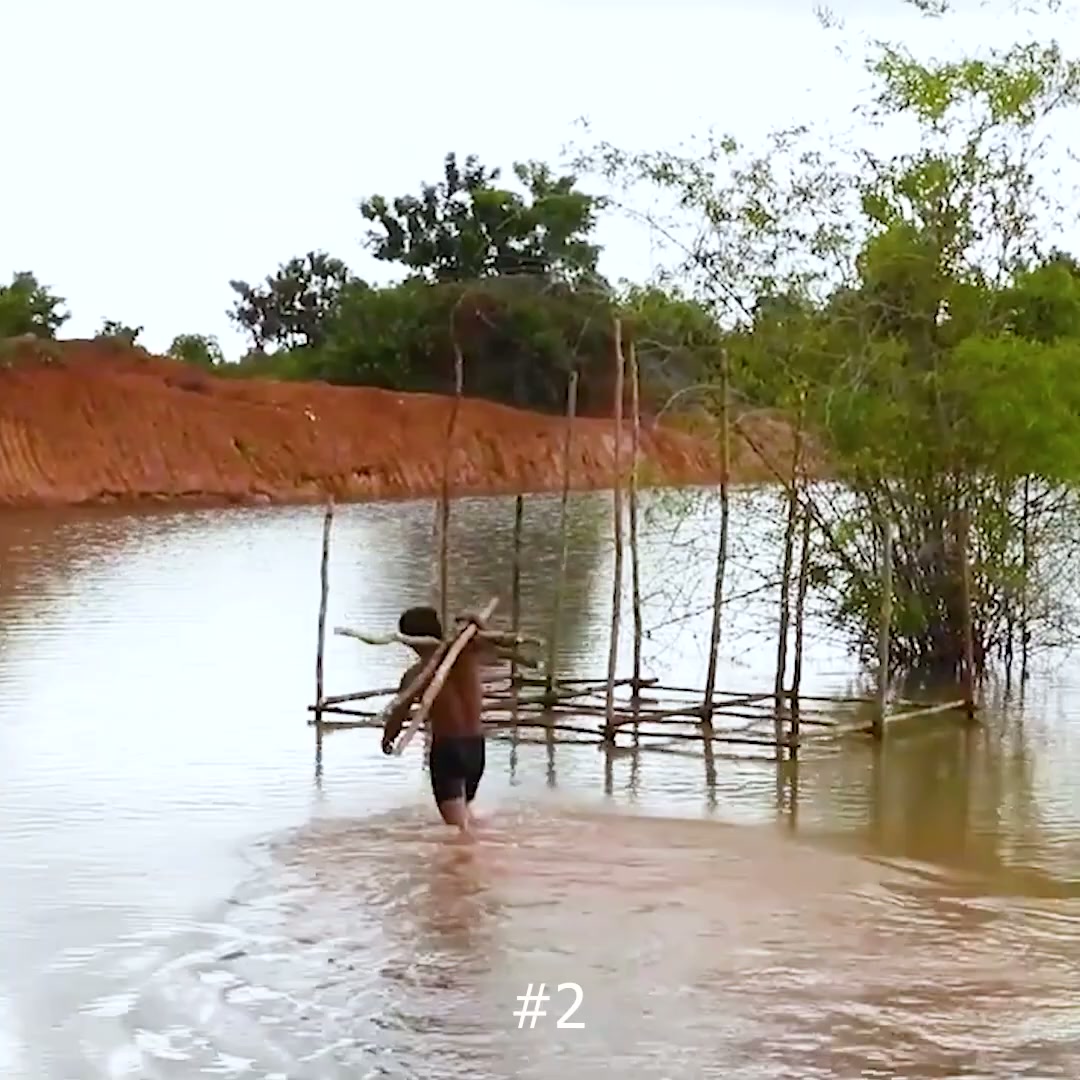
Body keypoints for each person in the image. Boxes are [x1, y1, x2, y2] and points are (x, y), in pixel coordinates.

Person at [381, 605, 489, 834]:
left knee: (458, 832)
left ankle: (465, 867)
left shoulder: (415, 675)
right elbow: (483, 637)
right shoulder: (467, 657)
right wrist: (474, 619)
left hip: (447, 749)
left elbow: (399, 713)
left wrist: (388, 738)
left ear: (409, 640)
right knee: (466, 817)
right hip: (476, 748)